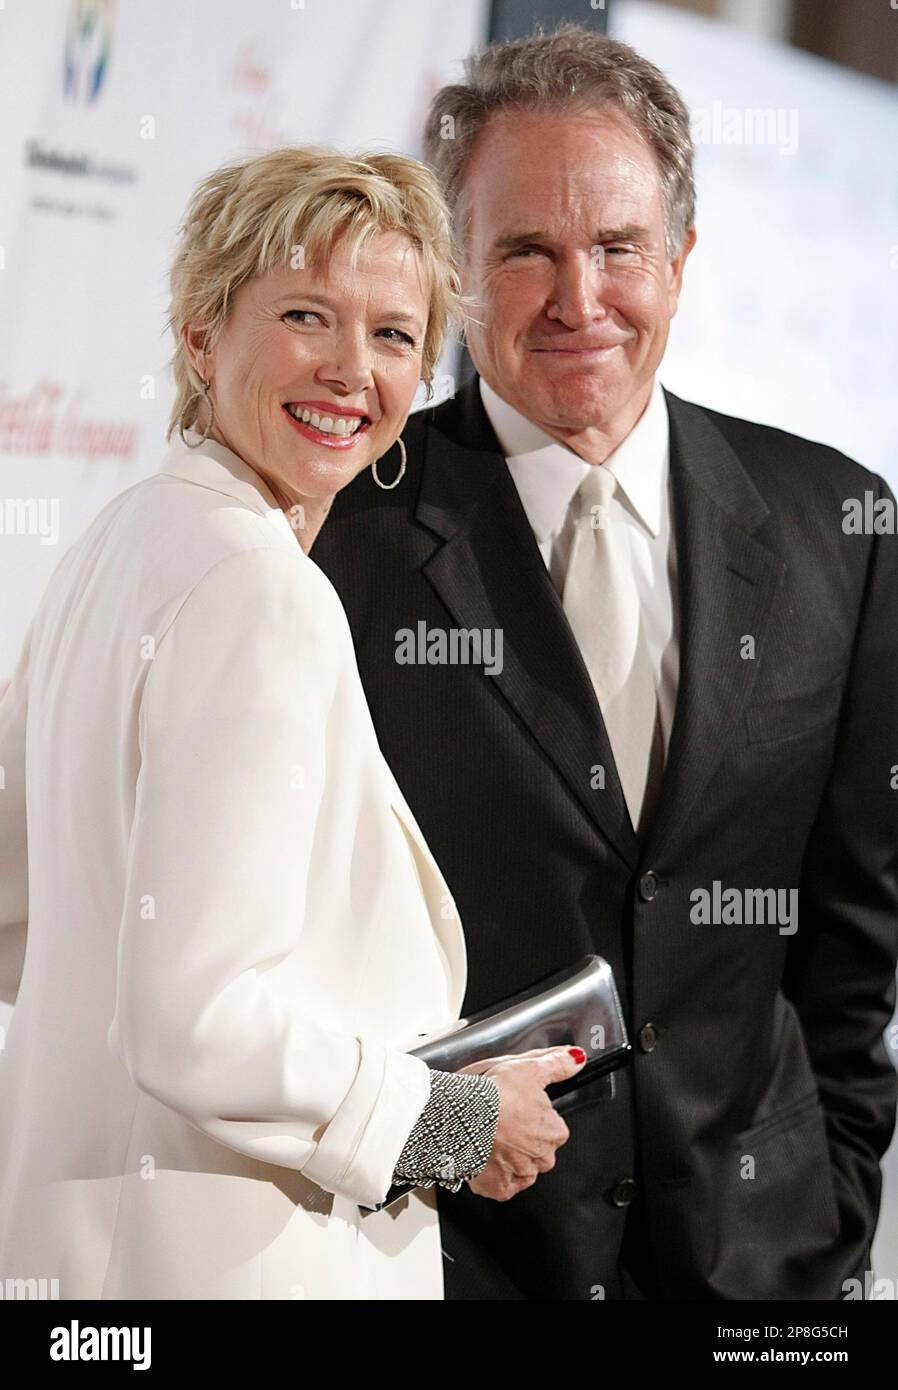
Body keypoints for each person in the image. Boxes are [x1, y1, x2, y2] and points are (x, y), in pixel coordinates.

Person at [313, 27, 898, 1299]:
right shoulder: (341, 533)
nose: (579, 299)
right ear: (458, 274)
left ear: (680, 264)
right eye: (525, 250)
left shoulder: (838, 528)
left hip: (768, 1269)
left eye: (618, 248)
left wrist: (834, 1196)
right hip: (453, 1258)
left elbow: (853, 939)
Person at [0, 146, 586, 1302]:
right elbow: (190, 1018)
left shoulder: (122, 543)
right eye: (306, 314)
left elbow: (20, 901)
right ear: (202, 333)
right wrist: (447, 1116)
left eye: (394, 335)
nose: (350, 371)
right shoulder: (257, 590)